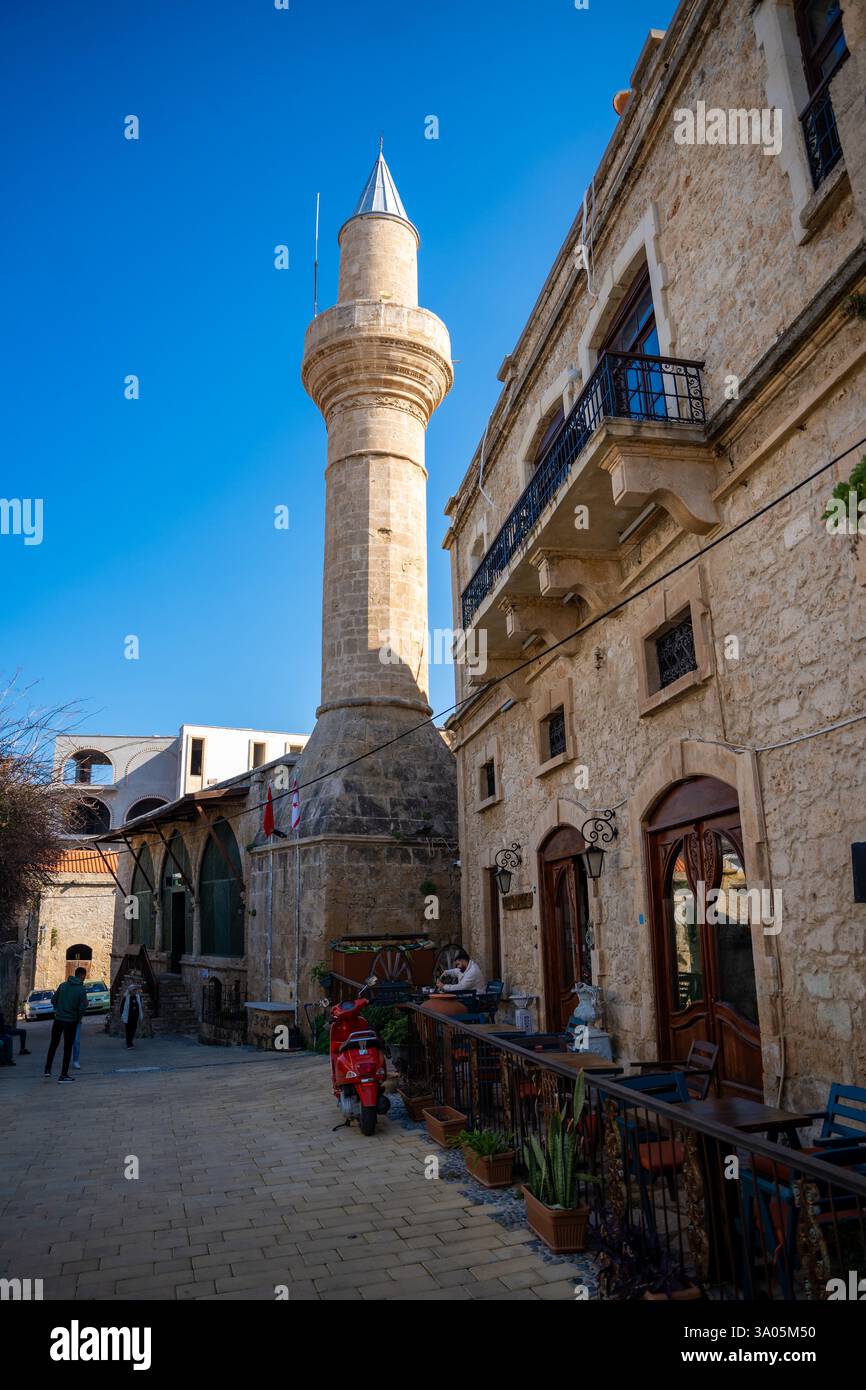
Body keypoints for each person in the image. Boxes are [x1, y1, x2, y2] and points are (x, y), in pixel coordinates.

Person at [44, 968, 88, 1084]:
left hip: (58, 1020)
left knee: (53, 1044)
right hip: (71, 1021)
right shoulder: (81, 989)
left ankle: (47, 1069)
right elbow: (82, 1007)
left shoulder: (62, 985)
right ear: (82, 976)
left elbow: (53, 1000)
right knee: (67, 1047)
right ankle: (63, 1075)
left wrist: (59, 1010)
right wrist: (78, 1019)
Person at [121, 984, 143, 1049]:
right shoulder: (126, 997)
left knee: (133, 1029)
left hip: (135, 1016)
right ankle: (129, 1043)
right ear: (130, 991)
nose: (135, 991)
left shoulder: (138, 997)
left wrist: (140, 1014)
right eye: (133, 990)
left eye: (135, 990)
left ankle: (131, 1042)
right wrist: (122, 1014)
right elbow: (122, 1007)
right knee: (128, 1030)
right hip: (128, 1016)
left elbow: (139, 1006)